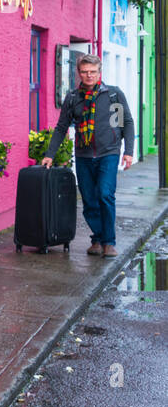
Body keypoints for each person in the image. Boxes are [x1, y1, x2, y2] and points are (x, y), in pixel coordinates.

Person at [41, 54, 135, 257]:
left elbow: (125, 122)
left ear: (99, 72)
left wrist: (128, 152)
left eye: (93, 71)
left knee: (105, 194)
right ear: (79, 73)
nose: (89, 75)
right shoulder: (74, 98)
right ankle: (98, 238)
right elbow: (61, 127)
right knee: (90, 200)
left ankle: (108, 242)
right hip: (83, 155)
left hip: (108, 153)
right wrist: (50, 154)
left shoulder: (112, 95)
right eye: (85, 72)